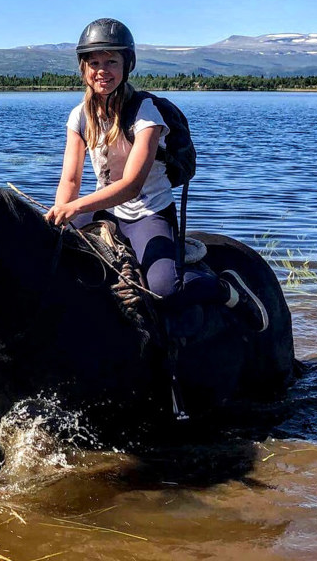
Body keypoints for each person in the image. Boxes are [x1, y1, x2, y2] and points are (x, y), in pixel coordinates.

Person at [44, 17, 268, 332]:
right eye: (94, 62)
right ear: (83, 68)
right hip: (99, 207)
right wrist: (59, 214)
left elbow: (132, 185)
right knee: (49, 261)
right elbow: (70, 180)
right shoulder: (79, 116)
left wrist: (76, 207)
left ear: (127, 65)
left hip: (146, 209)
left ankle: (224, 288)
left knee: (164, 290)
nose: (102, 70)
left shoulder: (145, 112)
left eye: (111, 61)